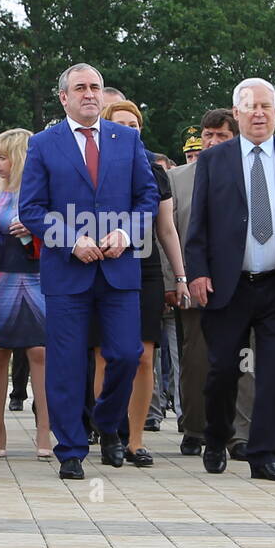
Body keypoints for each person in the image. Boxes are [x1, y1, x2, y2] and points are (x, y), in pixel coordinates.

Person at [18, 63, 159, 480]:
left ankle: (108, 422)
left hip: (119, 268)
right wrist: (69, 239)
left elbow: (147, 197)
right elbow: (32, 209)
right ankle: (71, 449)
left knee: (126, 354)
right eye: (80, 88)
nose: (89, 94)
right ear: (63, 97)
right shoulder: (44, 144)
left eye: (95, 87)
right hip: (67, 270)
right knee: (66, 362)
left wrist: (125, 232)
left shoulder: (128, 139)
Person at [186, 77, 275, 481]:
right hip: (228, 286)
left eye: (267, 106)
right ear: (237, 112)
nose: (260, 113)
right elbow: (198, 224)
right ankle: (216, 438)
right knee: (222, 371)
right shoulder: (215, 160)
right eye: (251, 107)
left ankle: (266, 455)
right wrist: (197, 273)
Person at [93, 100, 189, 467]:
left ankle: (135, 439)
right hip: (101, 262)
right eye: (121, 124)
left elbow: (166, 229)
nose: (129, 130)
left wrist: (179, 276)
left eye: (135, 124)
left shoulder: (153, 168)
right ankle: (108, 433)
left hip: (143, 266)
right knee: (105, 354)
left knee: (143, 356)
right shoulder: (93, 164)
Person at [164, 110, 253, 458]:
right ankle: (195, 427)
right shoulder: (178, 178)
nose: (213, 143)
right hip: (194, 284)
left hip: (244, 283)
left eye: (222, 136)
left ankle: (239, 432)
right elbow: (166, 232)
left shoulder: (251, 175)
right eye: (208, 135)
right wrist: (173, 281)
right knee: (197, 360)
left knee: (244, 361)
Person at [0, 128, 51, 457]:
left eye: (2, 156)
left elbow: (61, 237)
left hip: (39, 278)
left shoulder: (46, 191)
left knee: (40, 354)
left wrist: (35, 232)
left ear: (18, 158)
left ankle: (44, 430)